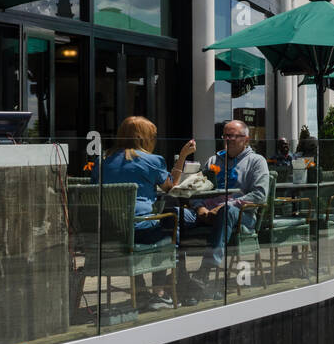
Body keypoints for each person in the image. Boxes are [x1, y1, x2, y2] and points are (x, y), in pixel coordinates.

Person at [98, 116, 195, 311]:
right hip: (140, 226)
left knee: (165, 220)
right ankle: (159, 291)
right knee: (177, 218)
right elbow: (170, 187)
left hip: (110, 231)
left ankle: (140, 291)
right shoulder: (151, 160)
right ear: (143, 138)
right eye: (153, 135)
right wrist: (183, 156)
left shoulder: (104, 162)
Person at [192, 121, 270, 291]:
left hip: (241, 215)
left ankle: (205, 270)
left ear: (246, 139)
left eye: (233, 136)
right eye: (225, 135)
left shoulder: (257, 161)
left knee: (226, 211)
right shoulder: (214, 159)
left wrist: (224, 206)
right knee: (176, 214)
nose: (228, 139)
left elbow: (259, 195)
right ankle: (178, 272)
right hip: (208, 213)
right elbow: (197, 189)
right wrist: (200, 208)